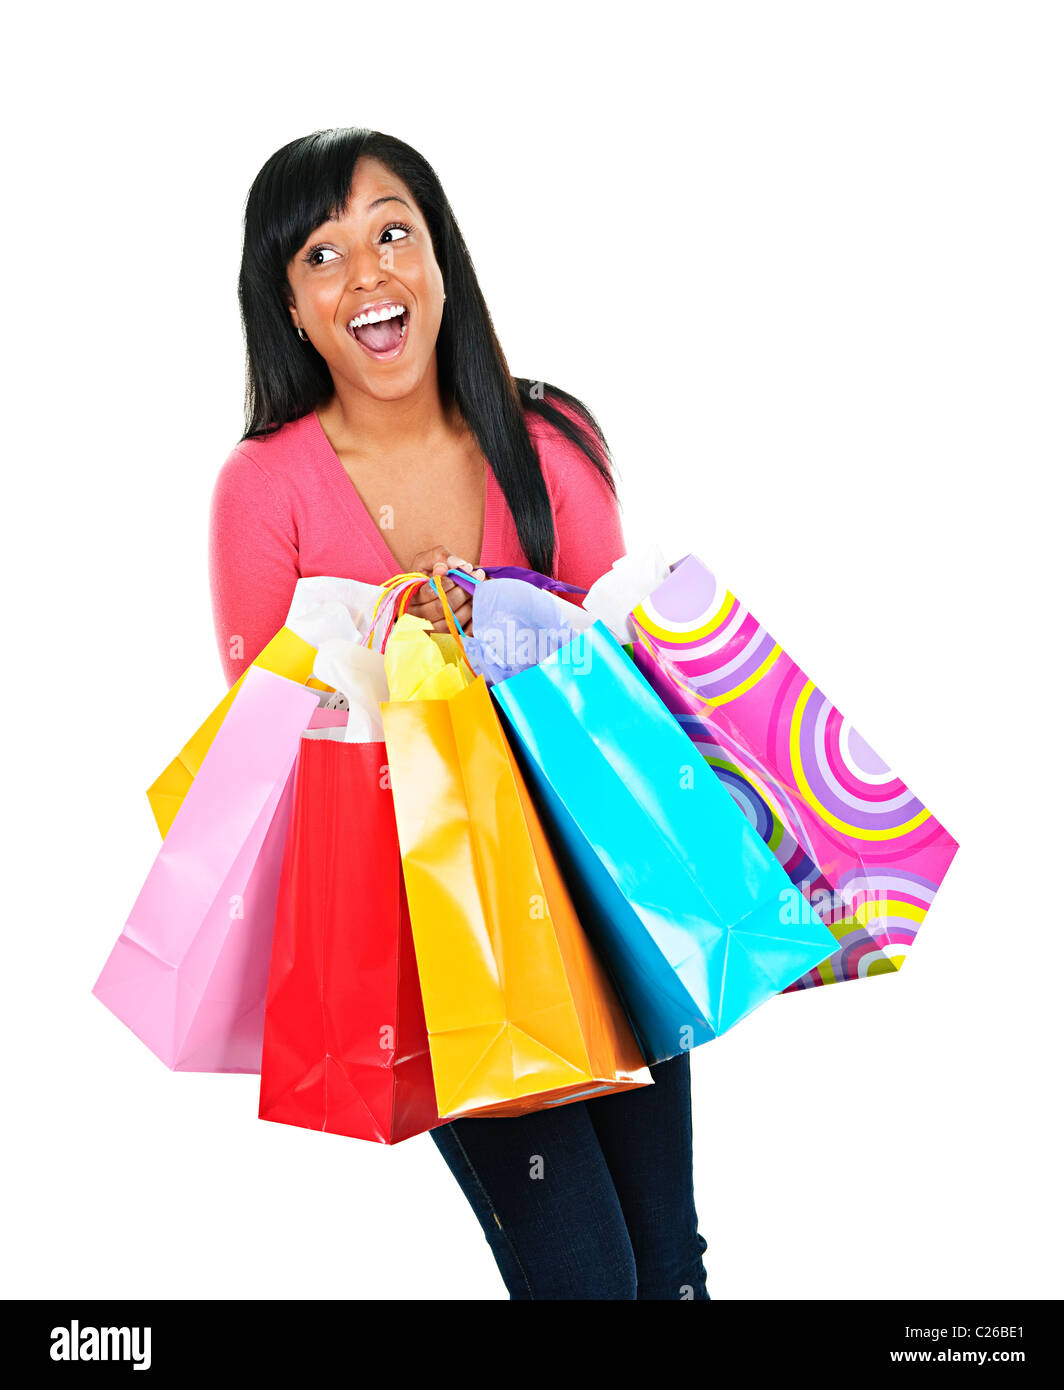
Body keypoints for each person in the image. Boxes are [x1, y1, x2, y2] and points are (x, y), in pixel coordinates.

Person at [209, 126, 709, 1301]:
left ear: (441, 262)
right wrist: (389, 651)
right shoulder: (264, 488)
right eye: (322, 256)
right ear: (288, 306)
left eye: (393, 233)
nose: (368, 272)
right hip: (434, 946)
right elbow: (261, 754)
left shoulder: (547, 442)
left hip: (600, 910)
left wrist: (515, 625)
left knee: (671, 1268)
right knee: (583, 1278)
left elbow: (616, 706)